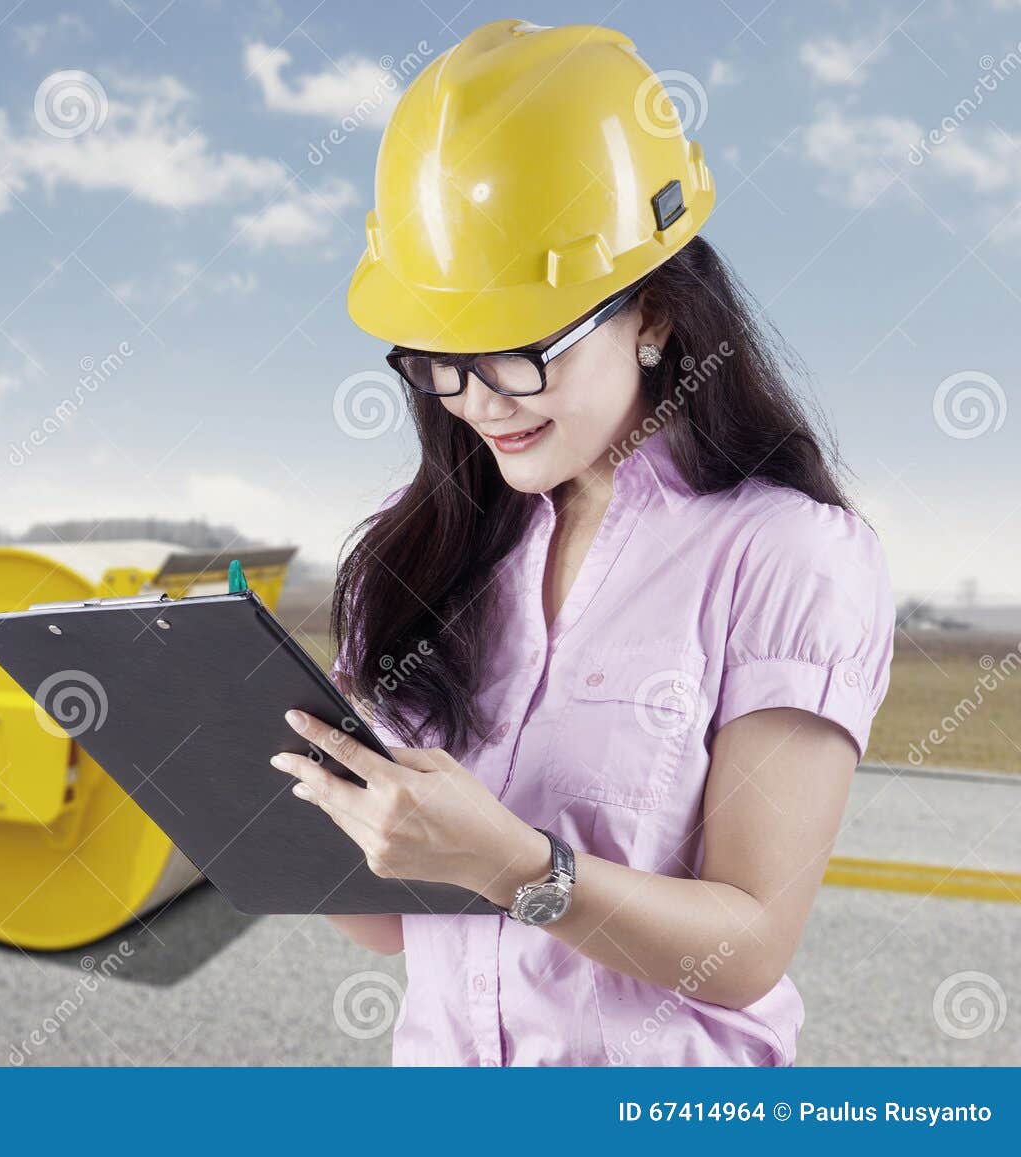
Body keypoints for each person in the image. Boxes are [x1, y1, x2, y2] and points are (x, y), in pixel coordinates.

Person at [268, 18, 894, 1066]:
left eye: (515, 354)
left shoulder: (788, 555)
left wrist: (520, 865)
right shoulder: (418, 549)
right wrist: (267, 799)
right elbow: (384, 928)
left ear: (652, 313)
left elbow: (747, 944)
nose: (473, 401)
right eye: (438, 359)